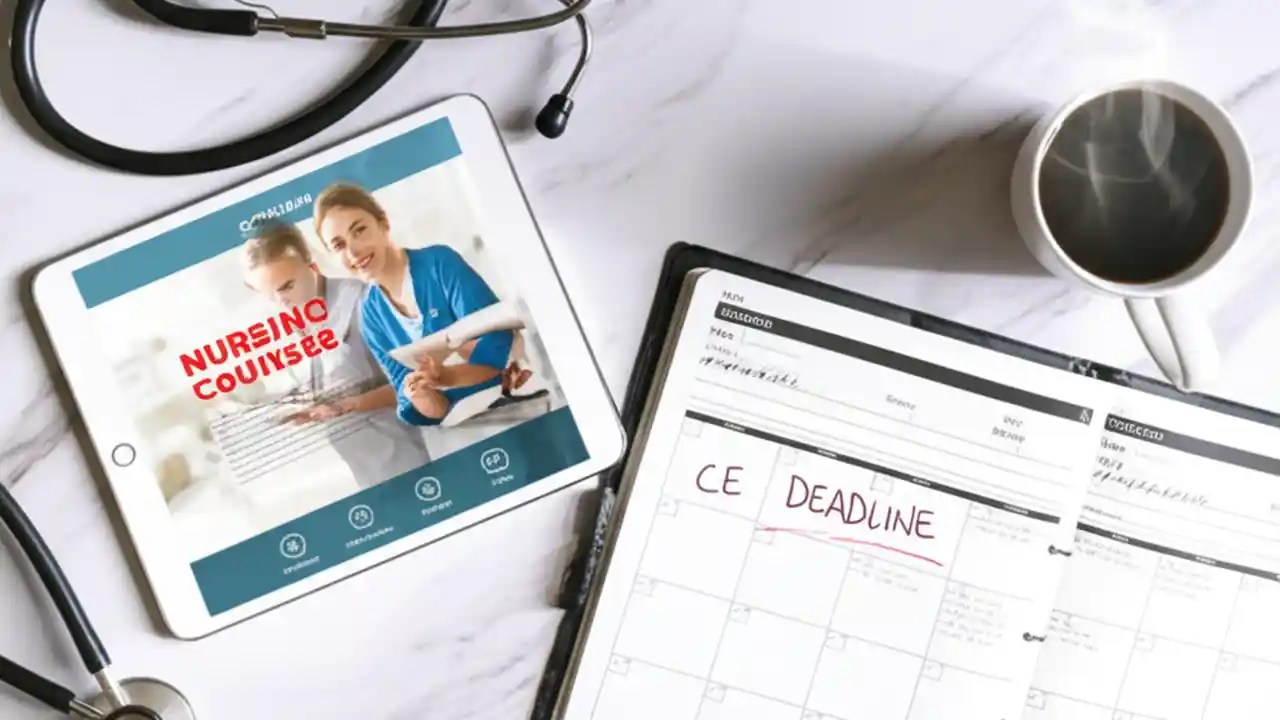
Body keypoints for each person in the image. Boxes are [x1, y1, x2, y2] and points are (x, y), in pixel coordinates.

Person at [312, 183, 526, 426]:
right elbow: (424, 405)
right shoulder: (371, 317)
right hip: (466, 426)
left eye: (359, 230)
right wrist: (422, 394)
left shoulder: (439, 264)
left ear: (383, 223)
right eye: (338, 245)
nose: (354, 251)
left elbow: (496, 351)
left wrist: (445, 376)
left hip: (517, 399)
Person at [240, 223, 432, 487]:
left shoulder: (364, 301)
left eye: (286, 286)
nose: (280, 303)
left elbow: (420, 381)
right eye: (268, 294)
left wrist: (344, 406)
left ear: (311, 265)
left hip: (409, 455)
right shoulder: (297, 320)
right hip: (365, 467)